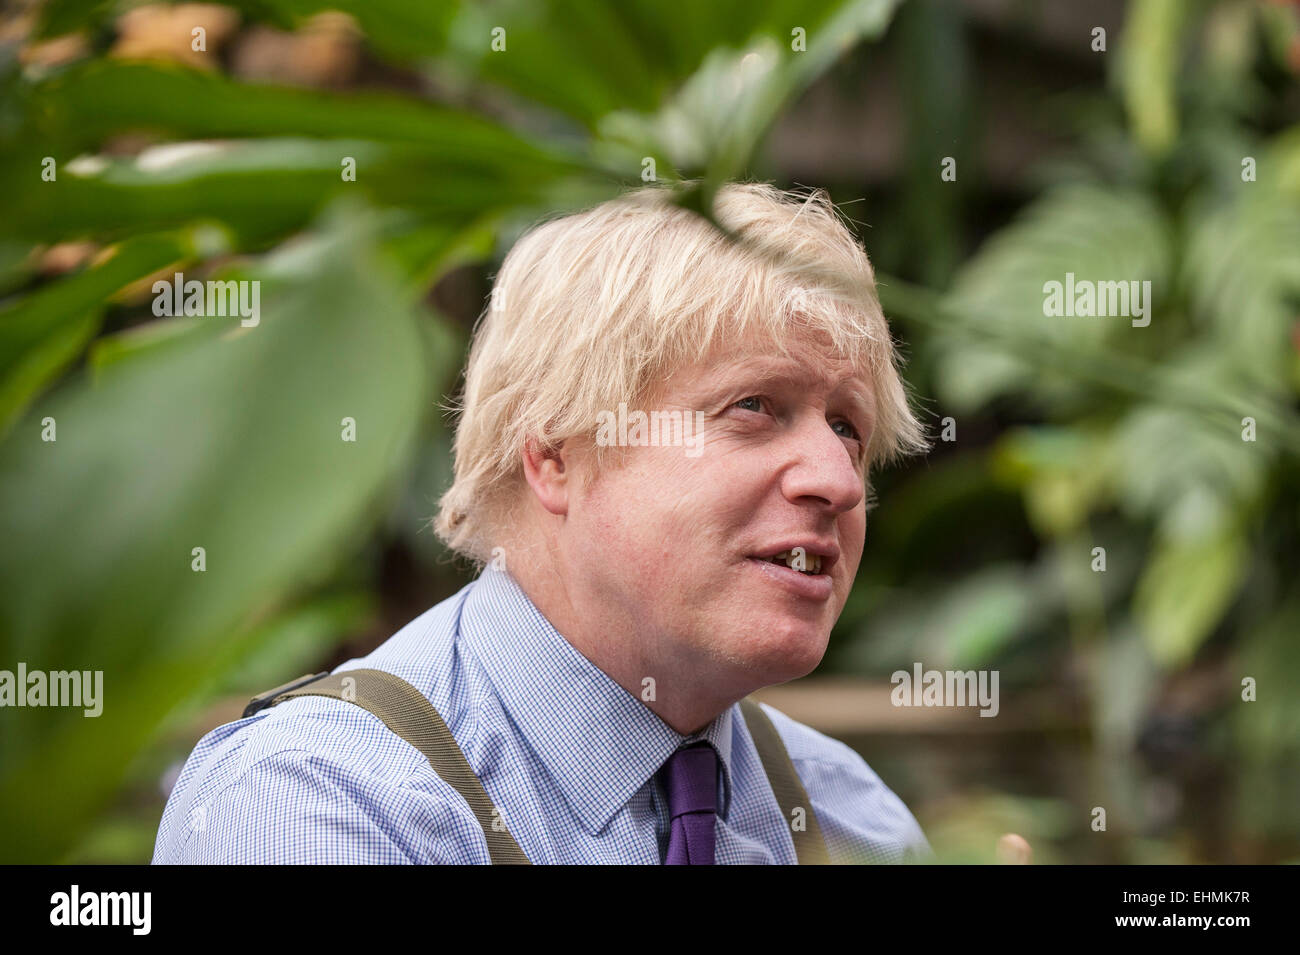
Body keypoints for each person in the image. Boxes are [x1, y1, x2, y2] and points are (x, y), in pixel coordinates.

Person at [152, 181, 933, 864]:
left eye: (847, 428)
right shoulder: (314, 801)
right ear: (555, 454)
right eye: (755, 407)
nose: (837, 480)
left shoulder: (848, 813)